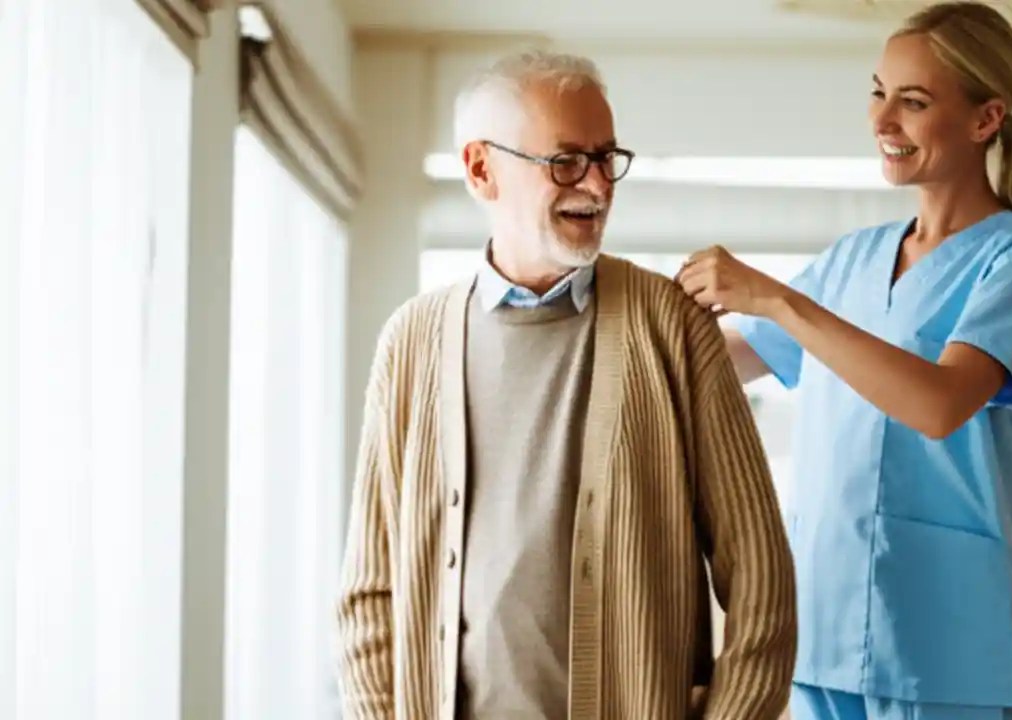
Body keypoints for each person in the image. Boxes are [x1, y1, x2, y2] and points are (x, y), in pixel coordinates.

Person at [336, 50, 796, 720]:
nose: (598, 185)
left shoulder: (672, 327)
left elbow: (761, 578)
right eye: (566, 161)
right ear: (481, 169)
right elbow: (369, 591)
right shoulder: (410, 341)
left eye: (607, 157)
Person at [676, 3, 1012, 719]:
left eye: (913, 101)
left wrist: (774, 297)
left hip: (945, 634)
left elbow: (941, 402)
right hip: (820, 618)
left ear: (986, 119)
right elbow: (719, 367)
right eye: (878, 91)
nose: (881, 120)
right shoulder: (852, 259)